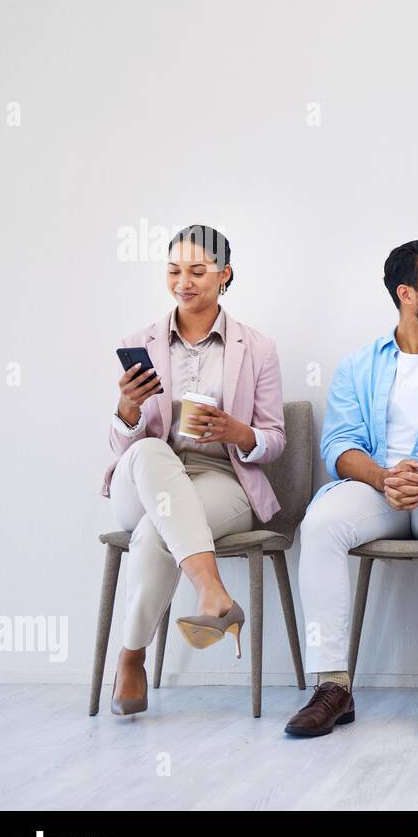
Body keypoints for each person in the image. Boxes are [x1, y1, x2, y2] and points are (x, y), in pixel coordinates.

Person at [285, 239, 418, 739]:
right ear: (407, 293)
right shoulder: (358, 365)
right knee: (319, 523)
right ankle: (333, 685)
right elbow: (339, 445)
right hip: (377, 490)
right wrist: (384, 479)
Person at [103, 224, 285, 715]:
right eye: (174, 270)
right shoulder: (138, 341)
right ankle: (213, 592)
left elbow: (274, 440)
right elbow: (122, 443)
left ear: (225, 275)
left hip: (219, 479)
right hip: (142, 477)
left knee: (156, 533)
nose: (184, 281)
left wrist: (236, 432)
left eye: (198, 271)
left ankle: (131, 659)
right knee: (146, 455)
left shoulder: (258, 348)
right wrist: (127, 410)